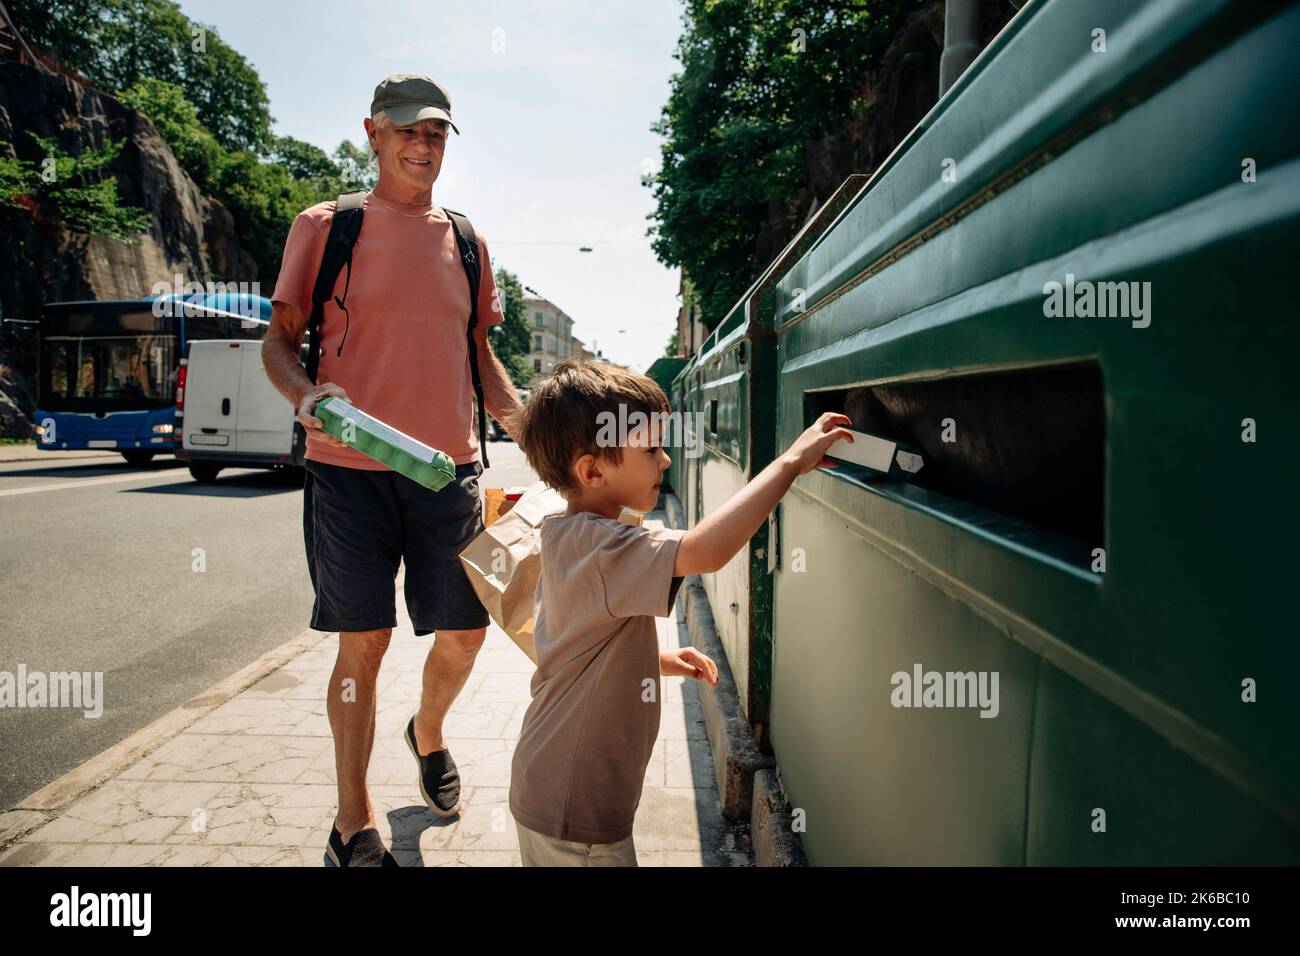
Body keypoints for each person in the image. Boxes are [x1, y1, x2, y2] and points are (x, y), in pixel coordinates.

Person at [262, 74, 523, 867]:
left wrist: (538, 433)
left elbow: (480, 358)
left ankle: (429, 732)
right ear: (373, 134)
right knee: (364, 642)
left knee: (469, 631)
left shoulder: (468, 241)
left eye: (437, 134)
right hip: (350, 469)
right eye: (407, 131)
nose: (422, 145)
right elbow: (280, 340)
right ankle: (352, 821)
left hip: (451, 473)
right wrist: (306, 397)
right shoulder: (327, 226)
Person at [508, 358, 853, 865]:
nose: (666, 461)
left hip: (554, 786)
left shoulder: (570, 535)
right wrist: (789, 464)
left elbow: (571, 643)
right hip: (575, 808)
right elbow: (706, 551)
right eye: (651, 449)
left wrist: (654, 661)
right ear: (593, 469)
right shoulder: (604, 546)